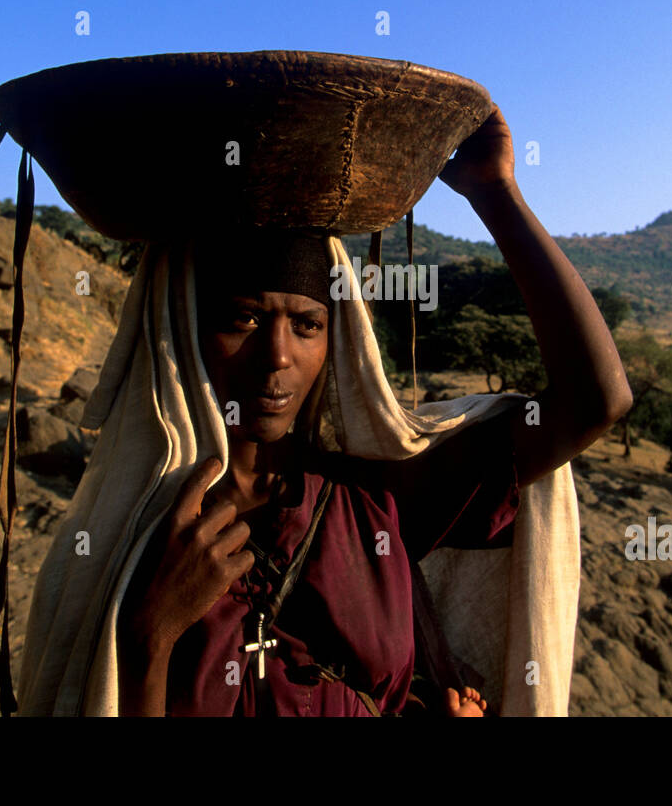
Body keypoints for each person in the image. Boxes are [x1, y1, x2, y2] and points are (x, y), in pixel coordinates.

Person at [111, 104, 633, 716]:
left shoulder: (369, 501)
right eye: (243, 319)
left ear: (338, 341)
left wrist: (495, 194)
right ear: (183, 330)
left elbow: (595, 400)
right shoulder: (138, 530)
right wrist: (148, 635)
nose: (277, 357)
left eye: (306, 325)